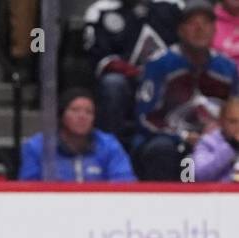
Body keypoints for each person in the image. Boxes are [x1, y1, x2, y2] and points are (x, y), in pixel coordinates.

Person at [134, 0, 239, 181]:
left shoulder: (228, 68)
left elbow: (236, 111)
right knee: (166, 152)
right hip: (175, 143)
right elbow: (144, 118)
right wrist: (182, 136)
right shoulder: (160, 64)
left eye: (206, 23)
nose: (200, 29)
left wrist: (224, 133)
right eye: (193, 23)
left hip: (216, 143)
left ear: (215, 30)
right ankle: (166, 203)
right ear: (180, 30)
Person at [83, 0, 182, 137]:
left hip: (169, 80)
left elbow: (185, 49)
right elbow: (100, 59)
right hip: (128, 81)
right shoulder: (101, 10)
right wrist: (137, 72)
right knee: (113, 83)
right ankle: (112, 147)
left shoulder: (173, 5)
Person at [19, 87, 137, 180]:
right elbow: (28, 190)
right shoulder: (36, 147)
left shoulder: (109, 145)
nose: (82, 117)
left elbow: (124, 184)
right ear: (61, 116)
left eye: (89, 112)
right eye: (75, 110)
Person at [191, 93, 239, 178]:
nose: (238, 127)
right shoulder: (207, 143)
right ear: (221, 121)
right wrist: (231, 146)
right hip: (219, 190)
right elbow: (200, 175)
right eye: (233, 122)